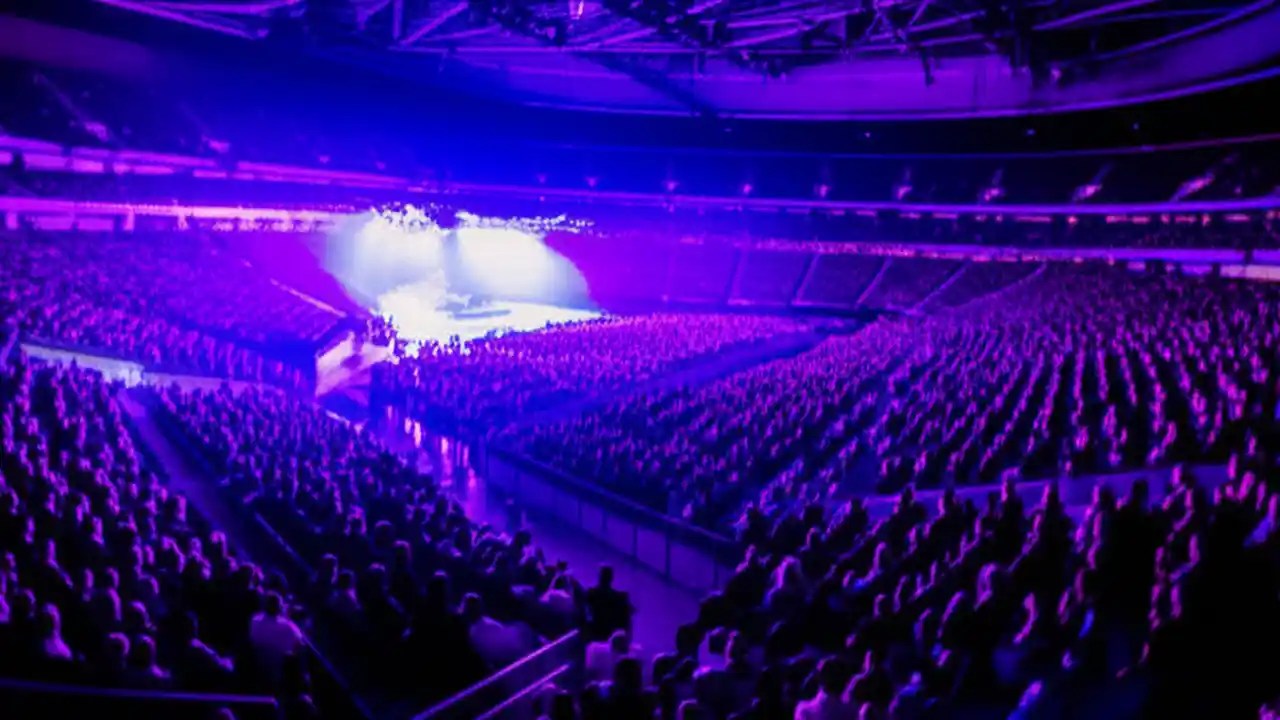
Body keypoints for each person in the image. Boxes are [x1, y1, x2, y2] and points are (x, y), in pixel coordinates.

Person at [250, 592, 304, 684]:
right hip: (277, 672)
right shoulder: (287, 625)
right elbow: (300, 641)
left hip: (255, 668)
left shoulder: (254, 620)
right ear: (280, 608)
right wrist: (287, 617)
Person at [584, 565, 632, 641]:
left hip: (594, 633)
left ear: (599, 577)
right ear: (611, 578)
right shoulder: (620, 598)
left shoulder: (591, 593)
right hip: (611, 635)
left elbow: (586, 614)